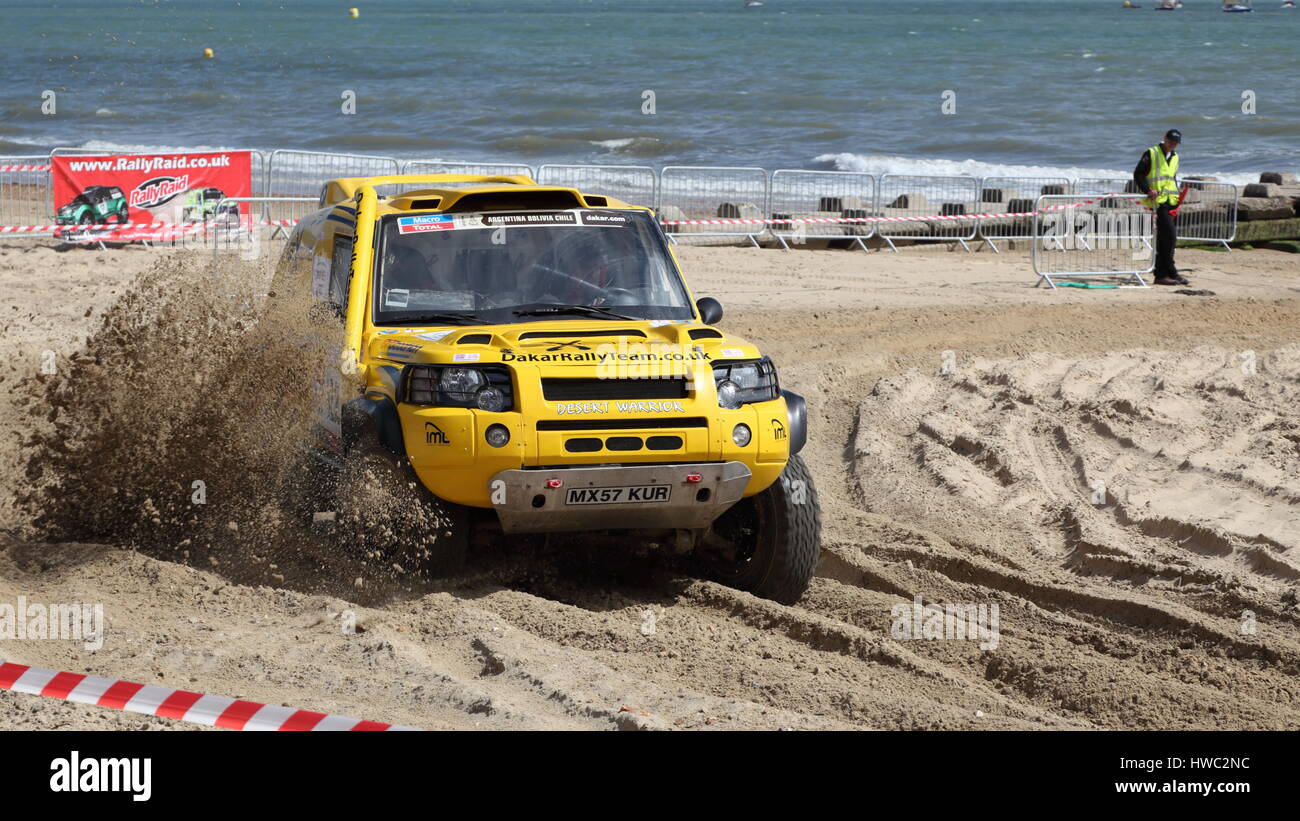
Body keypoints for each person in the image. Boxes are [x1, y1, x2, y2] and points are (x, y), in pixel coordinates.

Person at [1134, 129, 1188, 286]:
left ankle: (1165, 274)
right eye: (1170, 141)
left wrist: (1178, 198)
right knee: (1170, 238)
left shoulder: (1176, 157)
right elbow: (1138, 174)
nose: (1172, 145)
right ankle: (1167, 272)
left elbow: (1172, 178)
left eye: (1175, 143)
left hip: (1171, 202)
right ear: (1164, 139)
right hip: (1157, 203)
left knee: (1166, 240)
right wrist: (1147, 190)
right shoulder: (1151, 153)